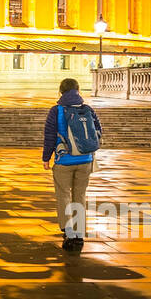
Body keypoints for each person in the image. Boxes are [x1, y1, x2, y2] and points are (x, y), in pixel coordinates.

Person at [42, 77, 103, 252]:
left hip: (64, 161)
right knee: (80, 196)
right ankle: (79, 234)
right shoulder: (88, 110)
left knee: (63, 196)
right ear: (78, 90)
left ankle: (68, 232)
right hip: (85, 160)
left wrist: (46, 158)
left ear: (61, 91)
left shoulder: (56, 111)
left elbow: (50, 137)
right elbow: (98, 131)